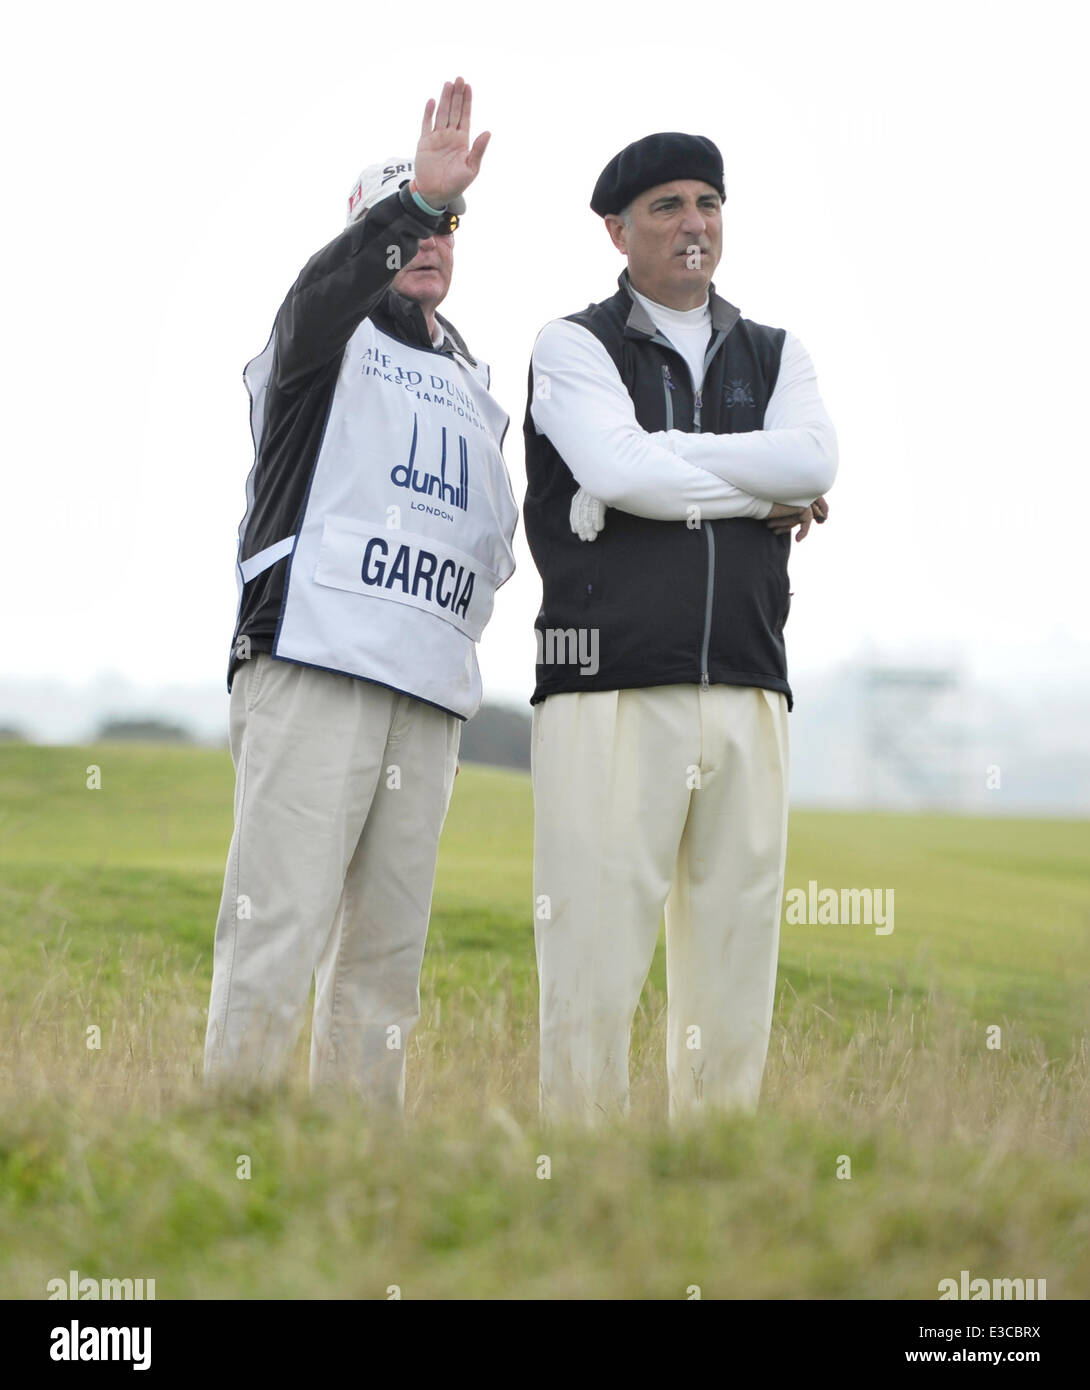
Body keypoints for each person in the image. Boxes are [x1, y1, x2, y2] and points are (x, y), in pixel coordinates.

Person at [204, 78, 517, 1109]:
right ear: (365, 229)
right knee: (278, 925)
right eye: (407, 217)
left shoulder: (472, 383)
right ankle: (233, 1140)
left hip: (423, 695)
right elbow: (330, 286)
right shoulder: (320, 338)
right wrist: (416, 200)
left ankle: (352, 1159)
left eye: (448, 222)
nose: (431, 238)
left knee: (386, 960)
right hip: (313, 663)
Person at [523, 131, 837, 1124]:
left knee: (737, 956)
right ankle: (582, 1164)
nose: (693, 222)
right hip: (605, 681)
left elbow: (813, 464)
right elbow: (617, 474)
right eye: (666, 206)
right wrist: (758, 489)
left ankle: (714, 1163)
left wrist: (666, 461)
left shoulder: (777, 352)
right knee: (593, 950)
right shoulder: (572, 345)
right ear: (618, 232)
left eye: (707, 201)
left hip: (749, 678)